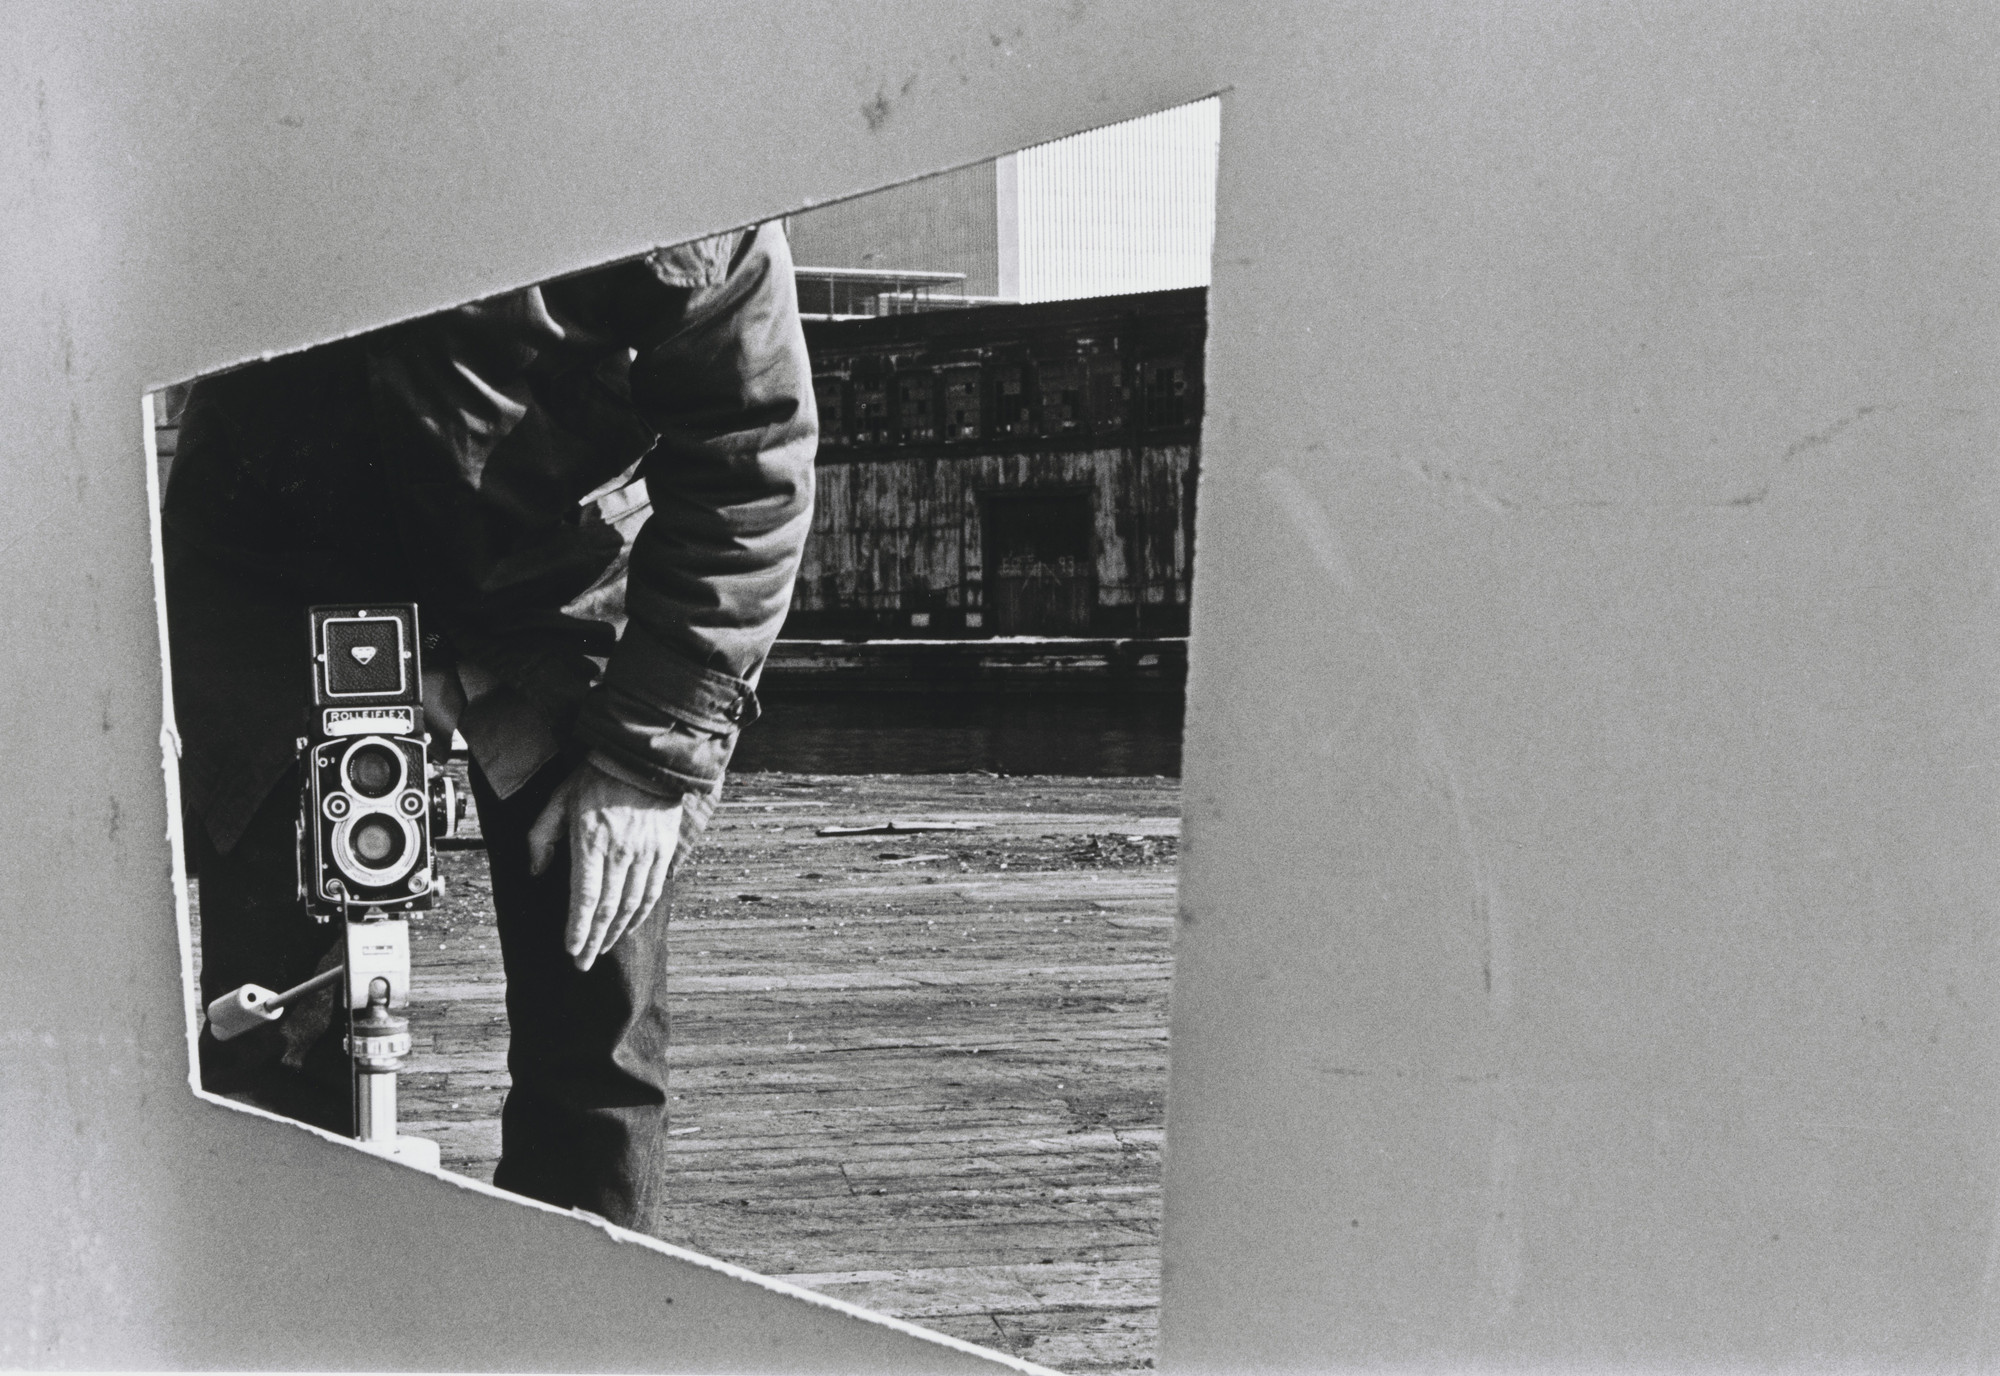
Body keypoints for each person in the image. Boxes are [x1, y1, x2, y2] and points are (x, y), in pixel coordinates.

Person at [164, 222, 816, 1233]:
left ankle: (577, 1328)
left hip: (556, 583)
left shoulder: (666, 130)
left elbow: (752, 448)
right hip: (278, 577)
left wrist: (649, 754)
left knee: (596, 1041)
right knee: (275, 1040)